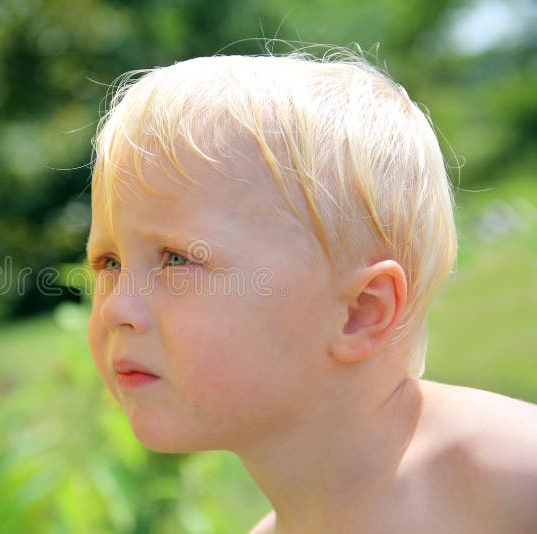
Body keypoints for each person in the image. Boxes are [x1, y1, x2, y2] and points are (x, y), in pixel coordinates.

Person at [85, 49, 537, 533]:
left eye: (176, 259)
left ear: (360, 311)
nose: (116, 307)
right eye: (109, 263)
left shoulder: (512, 478)